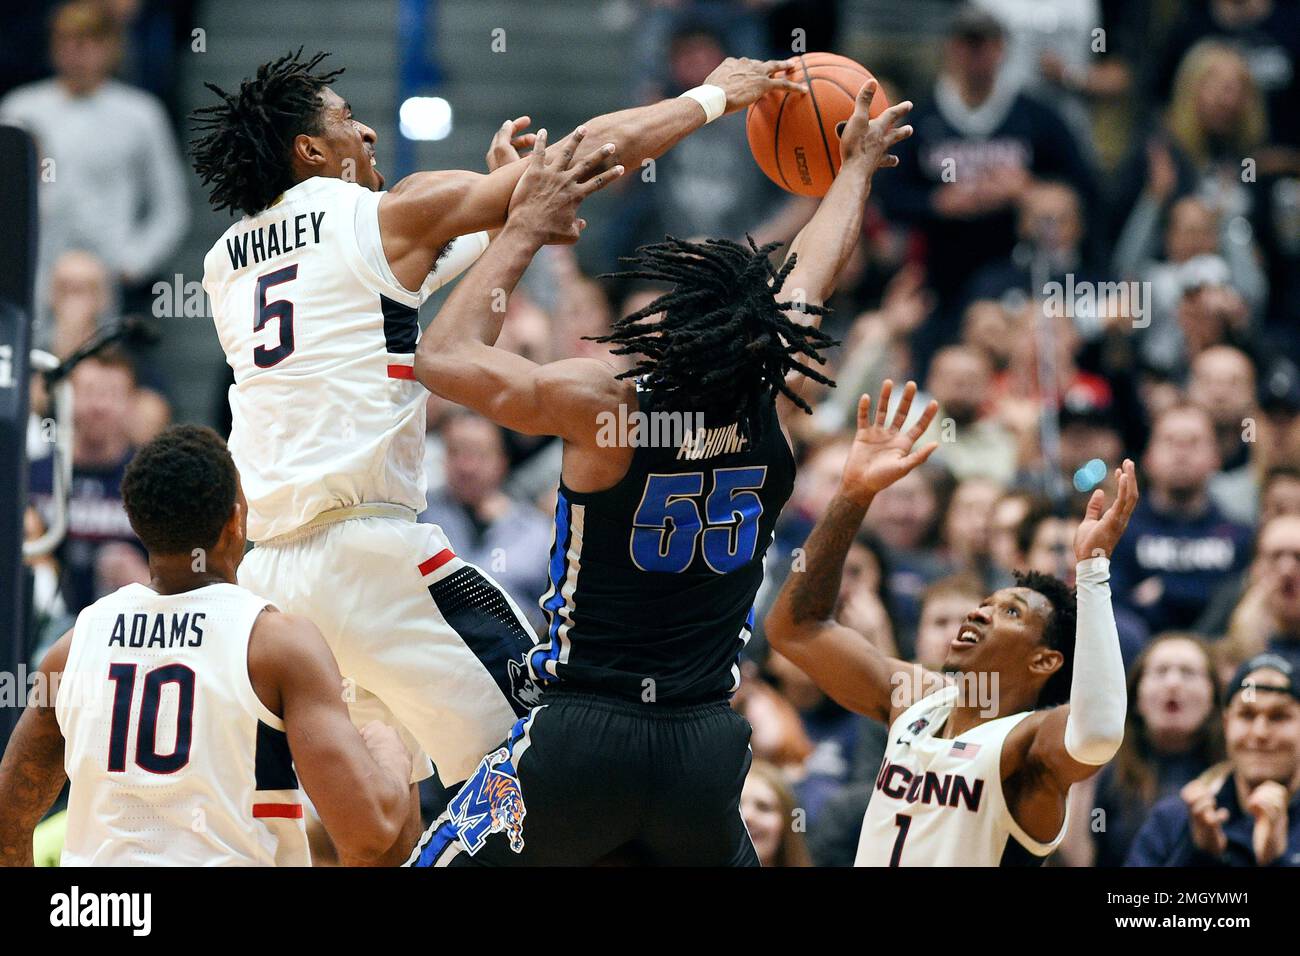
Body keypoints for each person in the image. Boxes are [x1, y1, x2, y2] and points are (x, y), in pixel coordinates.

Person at [191, 47, 802, 858]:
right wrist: (710, 98)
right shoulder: (383, 213)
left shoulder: (226, 263)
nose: (367, 128)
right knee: (560, 751)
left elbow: (389, 290)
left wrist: (498, 218)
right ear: (310, 151)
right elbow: (585, 155)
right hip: (373, 558)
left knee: (378, 830)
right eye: (344, 119)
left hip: (272, 579)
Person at [405, 82, 914, 866]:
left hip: (584, 737)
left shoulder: (608, 409)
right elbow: (813, 274)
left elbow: (441, 357)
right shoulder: (770, 400)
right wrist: (854, 173)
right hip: (702, 748)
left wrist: (525, 225)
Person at [0, 426, 415, 866]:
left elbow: (9, 818)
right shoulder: (275, 645)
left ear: (140, 525)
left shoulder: (74, 646)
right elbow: (370, 834)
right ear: (235, 522)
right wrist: (393, 749)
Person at [766, 380, 1136, 866]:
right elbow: (796, 629)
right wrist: (854, 495)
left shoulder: (1029, 745)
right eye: (986, 601)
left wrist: (1091, 571)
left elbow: (1099, 732)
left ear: (1045, 659)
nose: (979, 611)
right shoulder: (917, 699)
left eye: (1010, 612)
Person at [1126, 654, 1300, 867]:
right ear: (1227, 724)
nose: (1260, 732)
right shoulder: (1177, 818)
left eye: (1279, 716)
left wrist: (1276, 861)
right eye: (1247, 715)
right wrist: (1200, 854)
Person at [1072, 633, 1224, 867]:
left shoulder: (1233, 774)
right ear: (1136, 699)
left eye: (1188, 672)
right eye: (1161, 671)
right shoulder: (1106, 773)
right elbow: (1083, 858)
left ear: (1213, 698)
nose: (1173, 683)